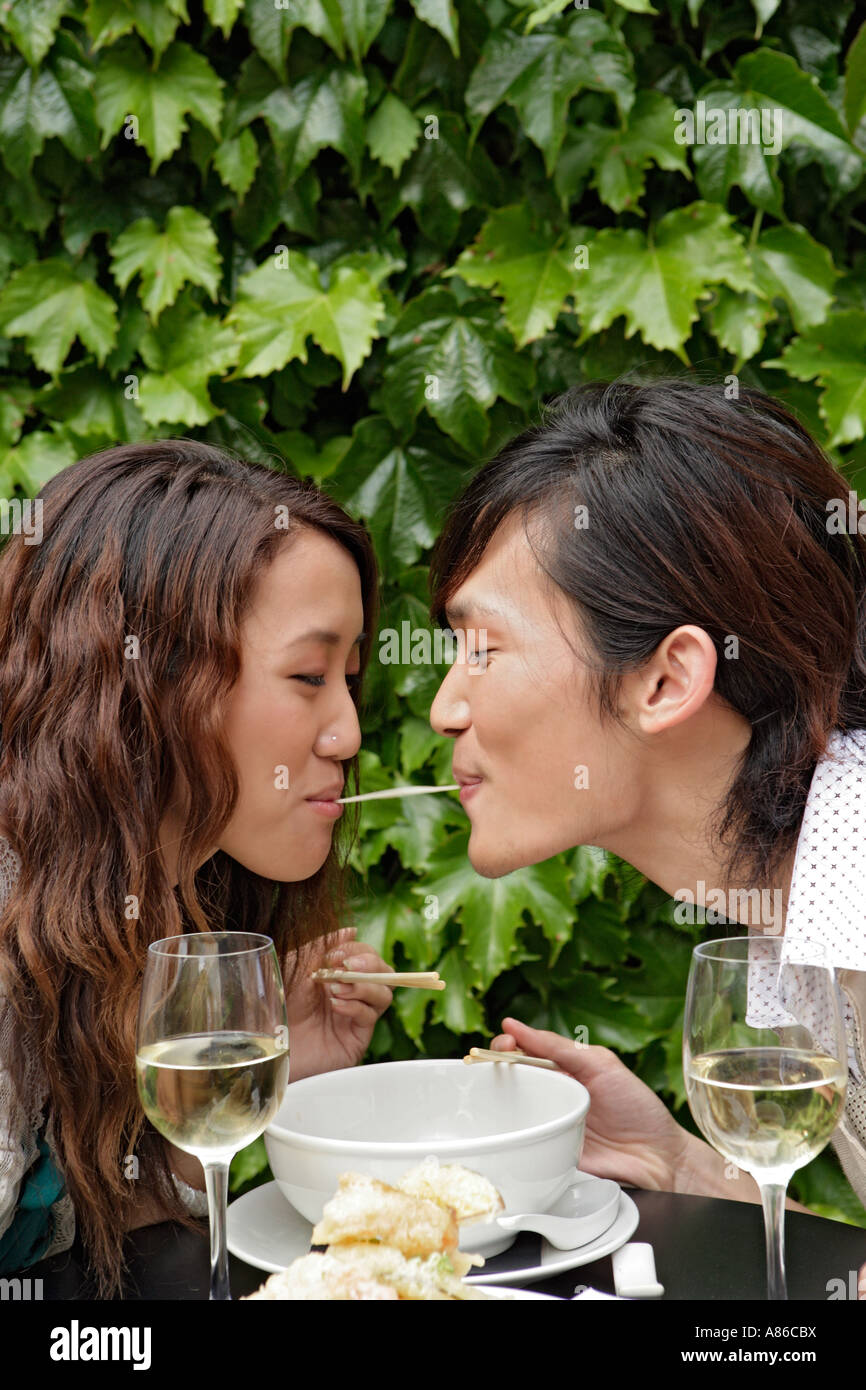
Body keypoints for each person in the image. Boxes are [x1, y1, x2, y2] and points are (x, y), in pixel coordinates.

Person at [427, 376, 866, 1294]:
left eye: (485, 649)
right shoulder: (802, 901)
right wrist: (684, 1171)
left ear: (666, 682)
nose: (444, 707)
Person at [0, 439, 394, 1298]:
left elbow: (88, 1262)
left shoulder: (154, 907)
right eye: (308, 674)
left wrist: (242, 1099)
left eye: (351, 678)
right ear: (151, 678)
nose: (349, 734)